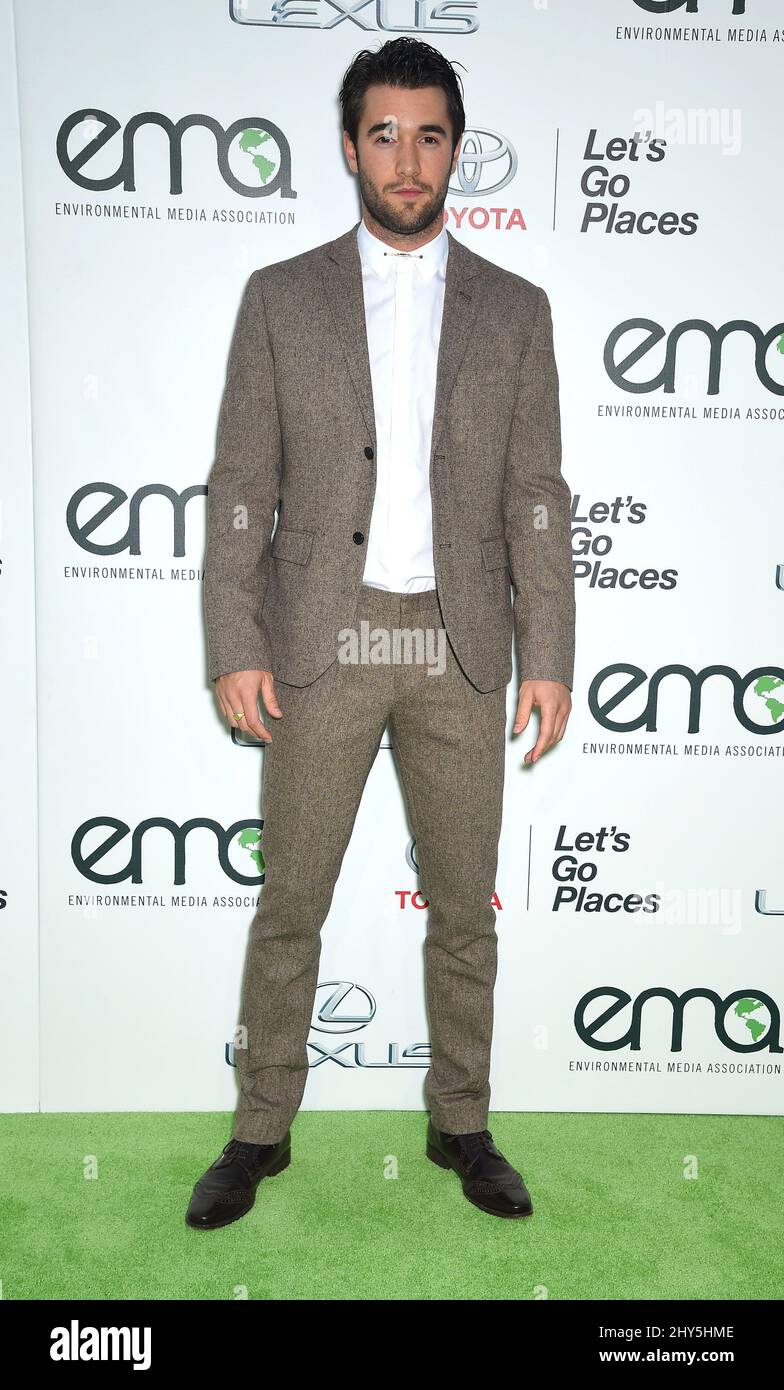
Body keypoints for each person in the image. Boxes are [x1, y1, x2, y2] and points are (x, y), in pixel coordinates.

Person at [186, 35, 575, 1230]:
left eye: (431, 133)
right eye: (385, 133)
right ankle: (261, 1130)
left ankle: (462, 1121)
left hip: (460, 649)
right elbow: (241, 484)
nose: (408, 159)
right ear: (350, 144)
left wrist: (548, 653)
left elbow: (535, 492)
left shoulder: (515, 311)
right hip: (323, 642)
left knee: (464, 911)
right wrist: (233, 639)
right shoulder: (281, 297)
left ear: (456, 146)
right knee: (289, 903)